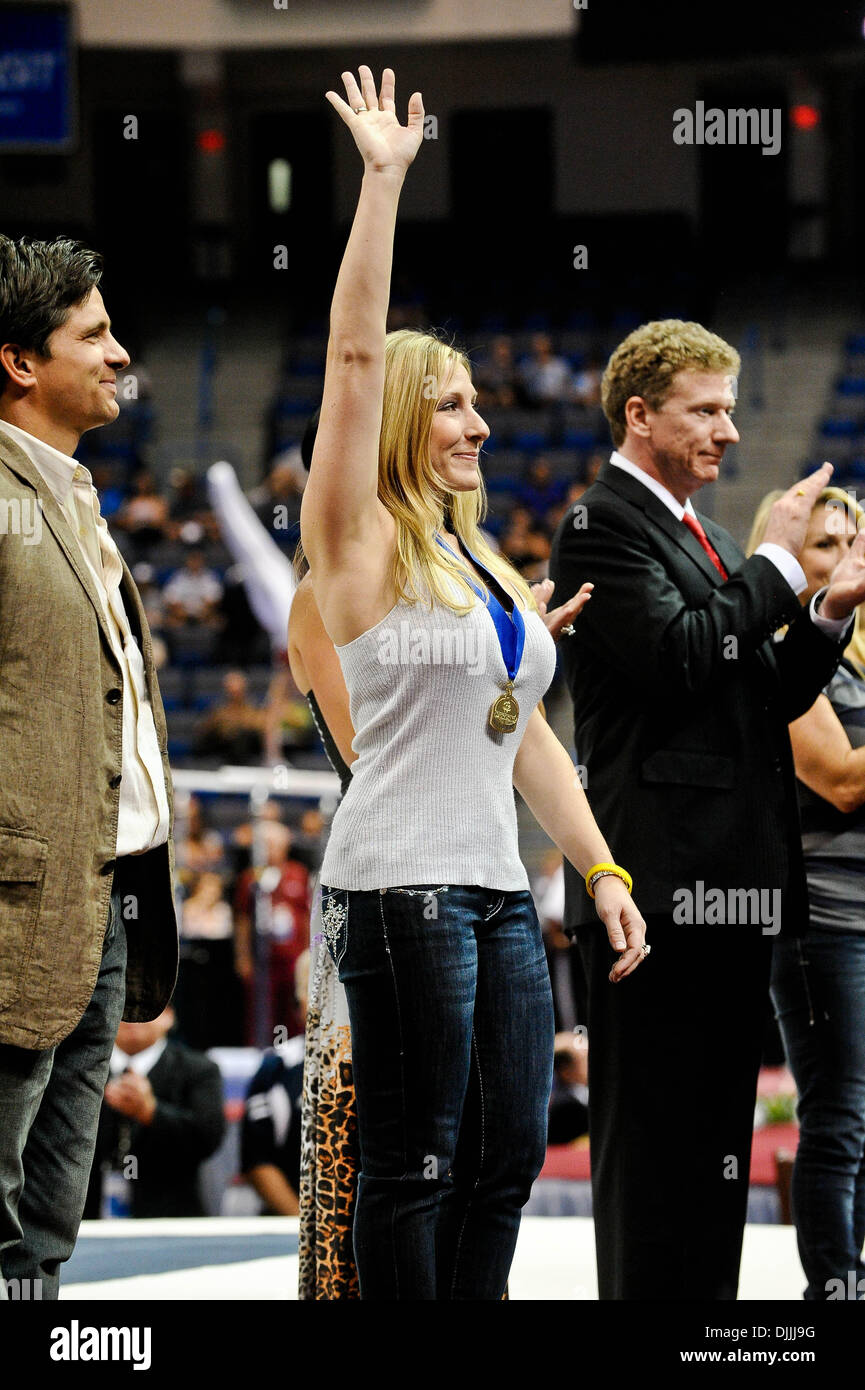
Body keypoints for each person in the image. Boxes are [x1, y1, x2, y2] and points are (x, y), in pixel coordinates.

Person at [299, 64, 647, 1302]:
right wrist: (383, 183)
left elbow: (527, 740)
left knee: (507, 1157)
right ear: (397, 419)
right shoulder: (351, 538)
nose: (477, 423)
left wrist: (599, 867)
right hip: (403, 886)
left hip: (501, 890)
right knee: (415, 1162)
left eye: (474, 401)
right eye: (446, 404)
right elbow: (349, 355)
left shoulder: (477, 558)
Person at [549, 317, 865, 1301]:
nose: (728, 430)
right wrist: (774, 570)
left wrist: (824, 614)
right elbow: (682, 659)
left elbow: (758, 692)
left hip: (731, 895)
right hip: (650, 893)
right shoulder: (598, 526)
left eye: (730, 409)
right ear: (638, 414)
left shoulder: (712, 535)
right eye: (706, 409)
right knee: (652, 1155)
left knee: (714, 1150)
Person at [0, 235, 178, 1299]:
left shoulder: (71, 498)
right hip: (17, 899)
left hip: (99, 894)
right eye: (95, 335)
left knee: (47, 1216)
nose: (120, 356)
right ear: (22, 362)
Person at [748, 485, 865, 1300]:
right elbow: (841, 782)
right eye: (825, 544)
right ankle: (833, 1290)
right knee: (840, 1117)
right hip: (822, 920)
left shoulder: (853, 657)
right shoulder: (784, 651)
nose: (846, 559)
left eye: (855, 541)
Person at [84, 1004, 225, 1219]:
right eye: (122, 1006)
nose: (132, 1017)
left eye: (146, 1006)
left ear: (169, 1017)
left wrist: (152, 1112)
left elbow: (208, 1138)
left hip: (171, 1220)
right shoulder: (81, 1069)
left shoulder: (199, 1069)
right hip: (85, 1222)